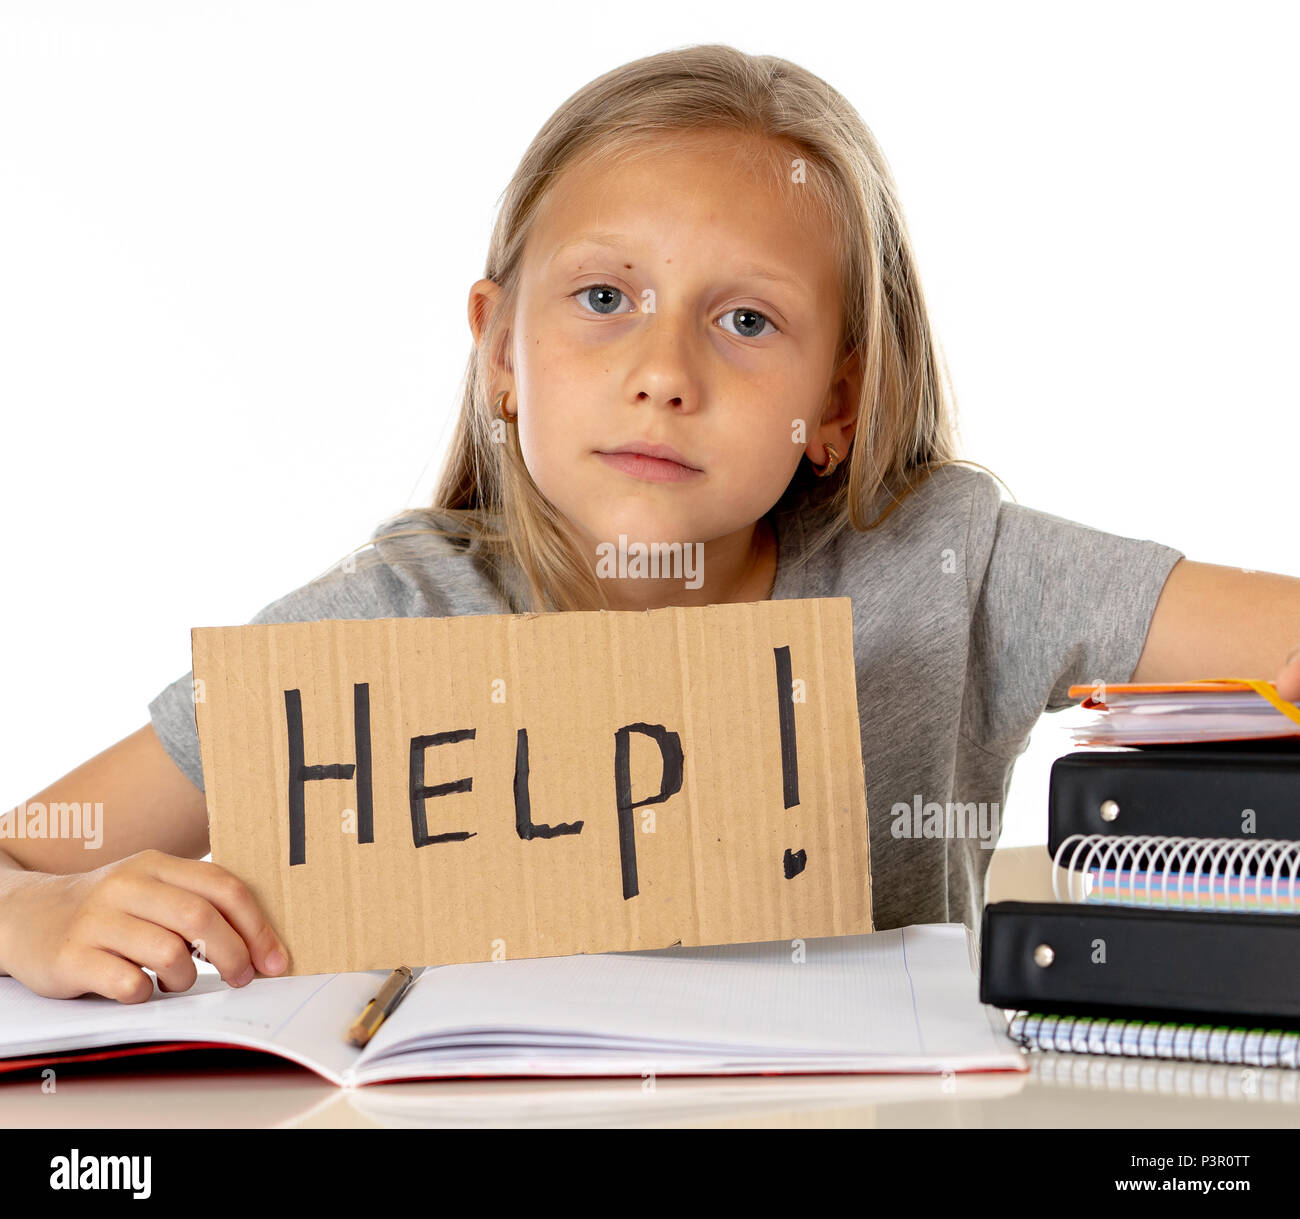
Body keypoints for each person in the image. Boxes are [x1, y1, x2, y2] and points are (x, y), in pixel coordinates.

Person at [3, 44, 1298, 1005]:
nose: (663, 370)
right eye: (605, 296)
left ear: (838, 402)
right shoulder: (389, 621)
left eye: (747, 321)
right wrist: (47, 921)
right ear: (501, 353)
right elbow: (21, 856)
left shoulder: (952, 571)